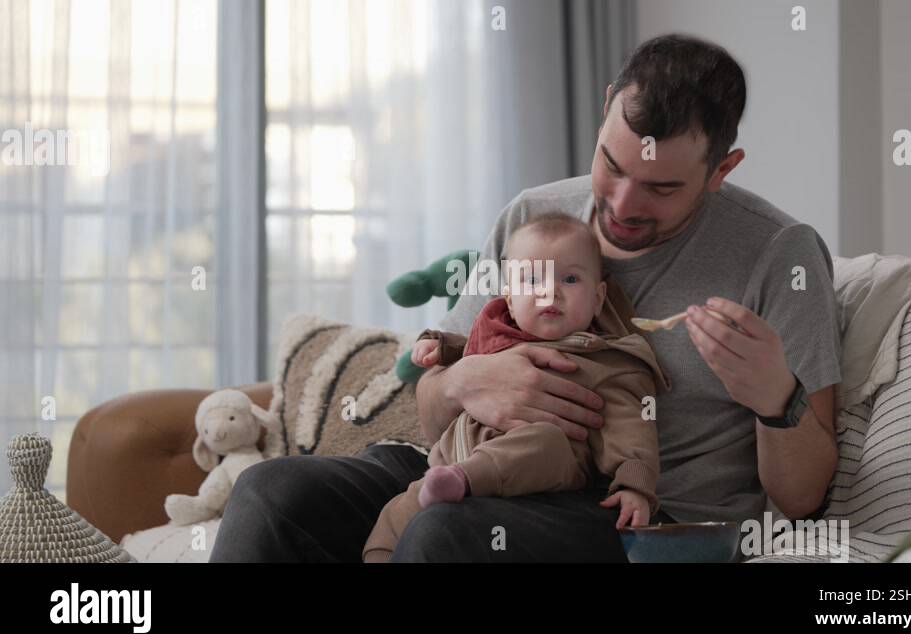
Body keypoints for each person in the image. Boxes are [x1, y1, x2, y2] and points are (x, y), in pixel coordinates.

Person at [210, 33, 841, 563]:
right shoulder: (534, 215)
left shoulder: (778, 255)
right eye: (612, 166)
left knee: (446, 533)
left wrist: (775, 400)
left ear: (722, 170)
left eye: (661, 188)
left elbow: (803, 496)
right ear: (605, 113)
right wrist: (465, 382)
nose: (620, 207)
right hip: (470, 461)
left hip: (635, 514)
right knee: (272, 493)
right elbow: (431, 408)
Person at [363, 213, 668, 562]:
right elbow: (467, 348)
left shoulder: (607, 362)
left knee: (543, 440)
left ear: (598, 298)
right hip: (451, 462)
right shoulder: (496, 337)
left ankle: (463, 479)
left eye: (569, 279)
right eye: (532, 280)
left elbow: (632, 429)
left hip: (548, 468)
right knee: (396, 513)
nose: (548, 291)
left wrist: (634, 485)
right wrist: (439, 346)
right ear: (509, 299)